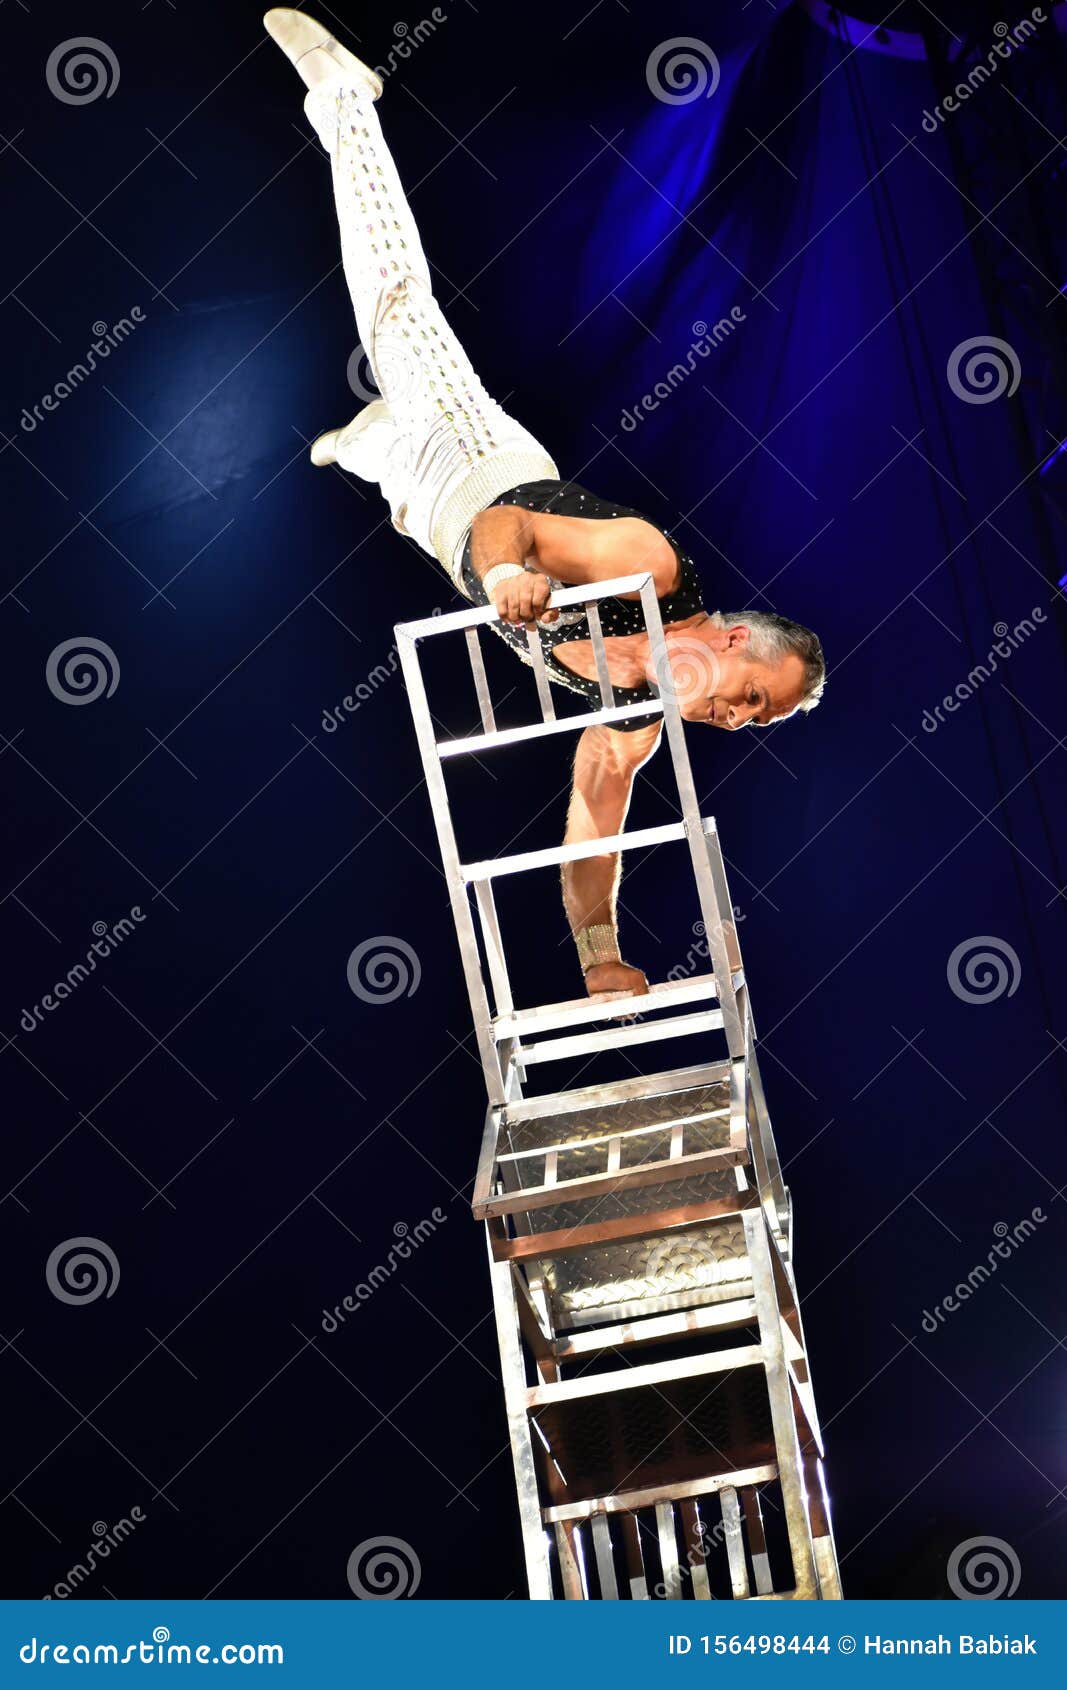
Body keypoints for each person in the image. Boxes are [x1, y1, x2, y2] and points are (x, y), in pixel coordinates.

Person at [263, 10, 826, 998]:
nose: (738, 721)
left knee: (391, 483)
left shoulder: (635, 718)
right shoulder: (647, 569)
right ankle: (344, 96)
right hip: (478, 462)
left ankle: (361, 445)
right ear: (735, 642)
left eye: (755, 725)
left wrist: (598, 958)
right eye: (753, 698)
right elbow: (508, 530)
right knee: (397, 312)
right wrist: (517, 572)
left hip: (432, 517)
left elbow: (588, 838)